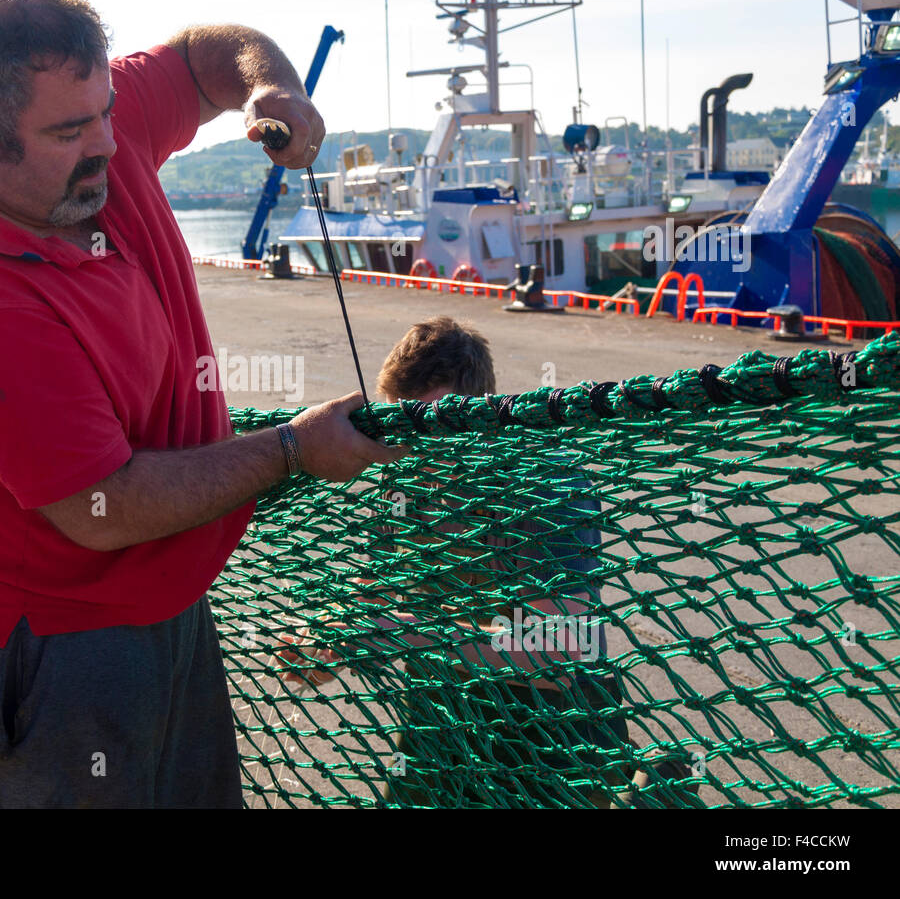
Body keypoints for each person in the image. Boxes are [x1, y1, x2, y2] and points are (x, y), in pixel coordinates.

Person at [0, 0, 406, 809]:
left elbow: (205, 59)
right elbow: (108, 505)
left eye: (104, 113)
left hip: (165, 596)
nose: (106, 141)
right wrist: (290, 450)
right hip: (58, 637)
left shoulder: (93, 119)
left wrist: (270, 81)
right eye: (70, 131)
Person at [276, 316, 660, 807]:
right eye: (402, 422)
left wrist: (391, 633)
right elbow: (374, 599)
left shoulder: (546, 478)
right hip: (444, 708)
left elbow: (560, 650)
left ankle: (654, 791)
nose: (415, 444)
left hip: (556, 726)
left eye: (432, 424)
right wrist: (330, 643)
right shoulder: (403, 480)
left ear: (483, 411)